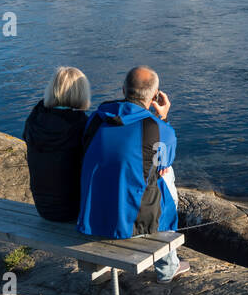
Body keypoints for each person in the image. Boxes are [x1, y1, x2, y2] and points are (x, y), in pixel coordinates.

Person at [77, 66, 189, 281]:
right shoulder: (158, 128)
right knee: (166, 173)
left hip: (93, 215)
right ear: (156, 96)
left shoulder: (97, 117)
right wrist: (163, 118)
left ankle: (105, 264)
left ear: (123, 89)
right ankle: (167, 268)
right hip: (135, 223)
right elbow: (165, 161)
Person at [22, 66, 91, 223]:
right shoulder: (81, 125)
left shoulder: (34, 120)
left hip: (43, 207)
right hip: (74, 209)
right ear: (82, 92)